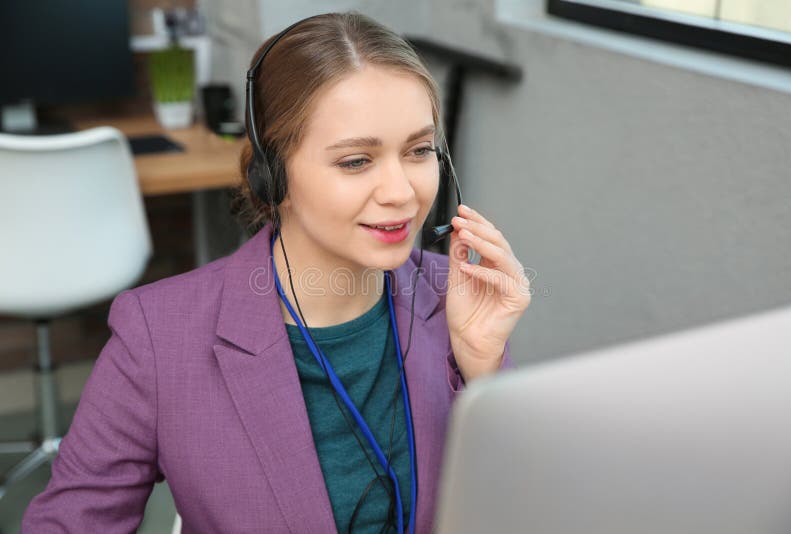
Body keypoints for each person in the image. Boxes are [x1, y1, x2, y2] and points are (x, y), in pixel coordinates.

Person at [21, 11, 530, 533]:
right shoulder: (158, 336)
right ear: (273, 174)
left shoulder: (456, 299)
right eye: (356, 161)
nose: (402, 192)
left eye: (419, 151)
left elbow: (524, 511)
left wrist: (482, 371)